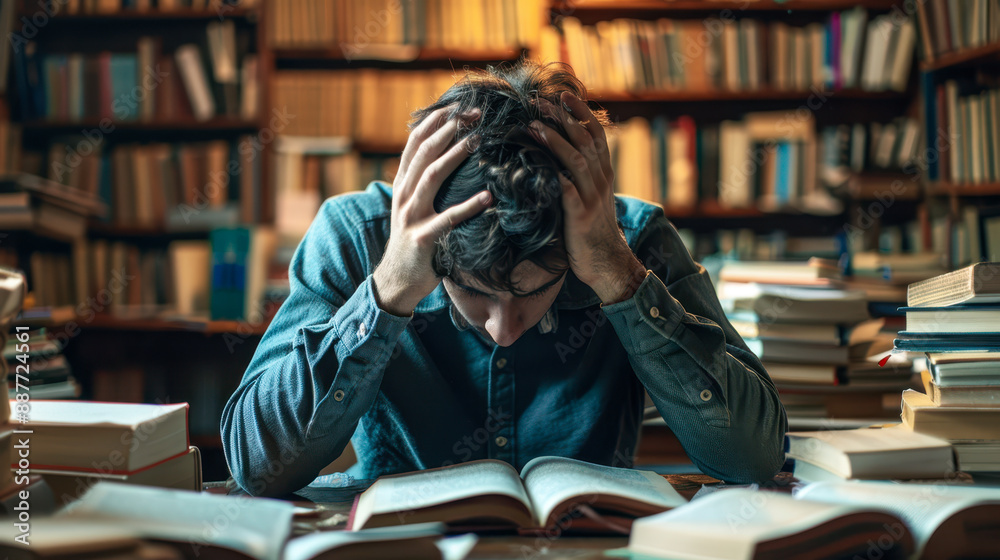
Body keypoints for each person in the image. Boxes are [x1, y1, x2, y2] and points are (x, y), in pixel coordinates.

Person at [221, 61, 787, 498]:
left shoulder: (630, 240)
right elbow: (254, 465)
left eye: (535, 290)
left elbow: (753, 458)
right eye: (475, 292)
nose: (503, 330)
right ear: (437, 250)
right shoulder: (355, 236)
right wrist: (388, 289)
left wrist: (618, 276)